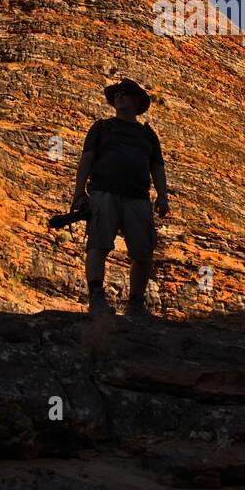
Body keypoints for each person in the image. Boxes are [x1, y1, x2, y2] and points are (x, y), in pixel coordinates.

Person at [71, 78, 170, 318]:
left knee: (143, 252)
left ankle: (135, 304)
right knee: (98, 244)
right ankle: (96, 299)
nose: (119, 96)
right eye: (117, 94)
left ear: (136, 101)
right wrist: (79, 193)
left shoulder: (148, 135)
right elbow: (87, 159)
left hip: (138, 197)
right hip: (103, 192)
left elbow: (157, 167)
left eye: (125, 93)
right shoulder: (101, 128)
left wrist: (162, 195)